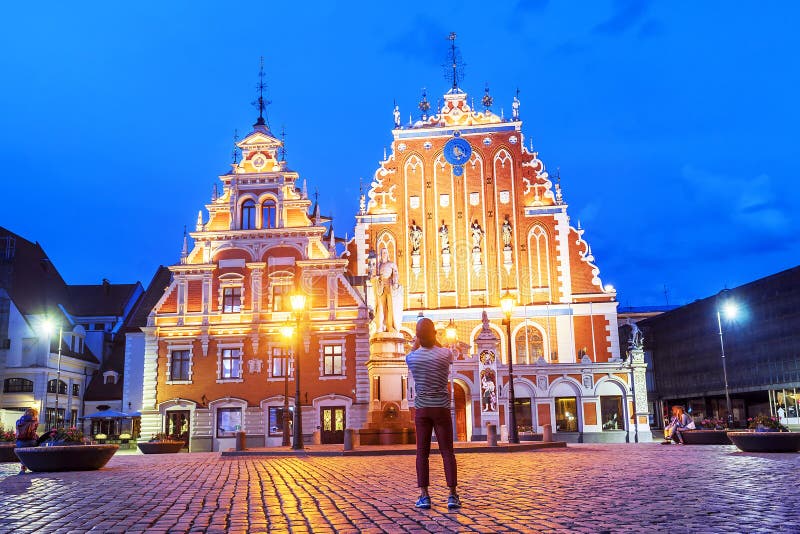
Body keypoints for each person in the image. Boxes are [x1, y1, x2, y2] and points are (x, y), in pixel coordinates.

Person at [405, 318, 460, 510]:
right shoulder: (445, 354)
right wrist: (432, 337)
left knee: (422, 453)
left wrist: (417, 341)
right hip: (441, 408)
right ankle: (452, 495)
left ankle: (424, 496)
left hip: (422, 409)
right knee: (447, 453)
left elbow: (413, 350)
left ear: (418, 337)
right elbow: (441, 349)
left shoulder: (411, 358)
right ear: (435, 334)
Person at [15, 408, 54, 474]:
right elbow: (33, 433)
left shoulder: (18, 421)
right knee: (39, 442)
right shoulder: (35, 421)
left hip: (19, 442)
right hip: (31, 442)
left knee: (23, 454)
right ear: (34, 414)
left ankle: (23, 469)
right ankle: (38, 464)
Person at [373, 247, 399, 332]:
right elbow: (373, 276)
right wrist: (375, 277)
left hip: (389, 285)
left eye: (385, 252)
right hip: (381, 286)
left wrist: (395, 282)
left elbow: (395, 273)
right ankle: (381, 326)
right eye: (382, 253)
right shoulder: (378, 266)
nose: (384, 254)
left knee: (390, 306)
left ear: (387, 254)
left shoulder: (391, 264)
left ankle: (390, 326)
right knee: (381, 306)